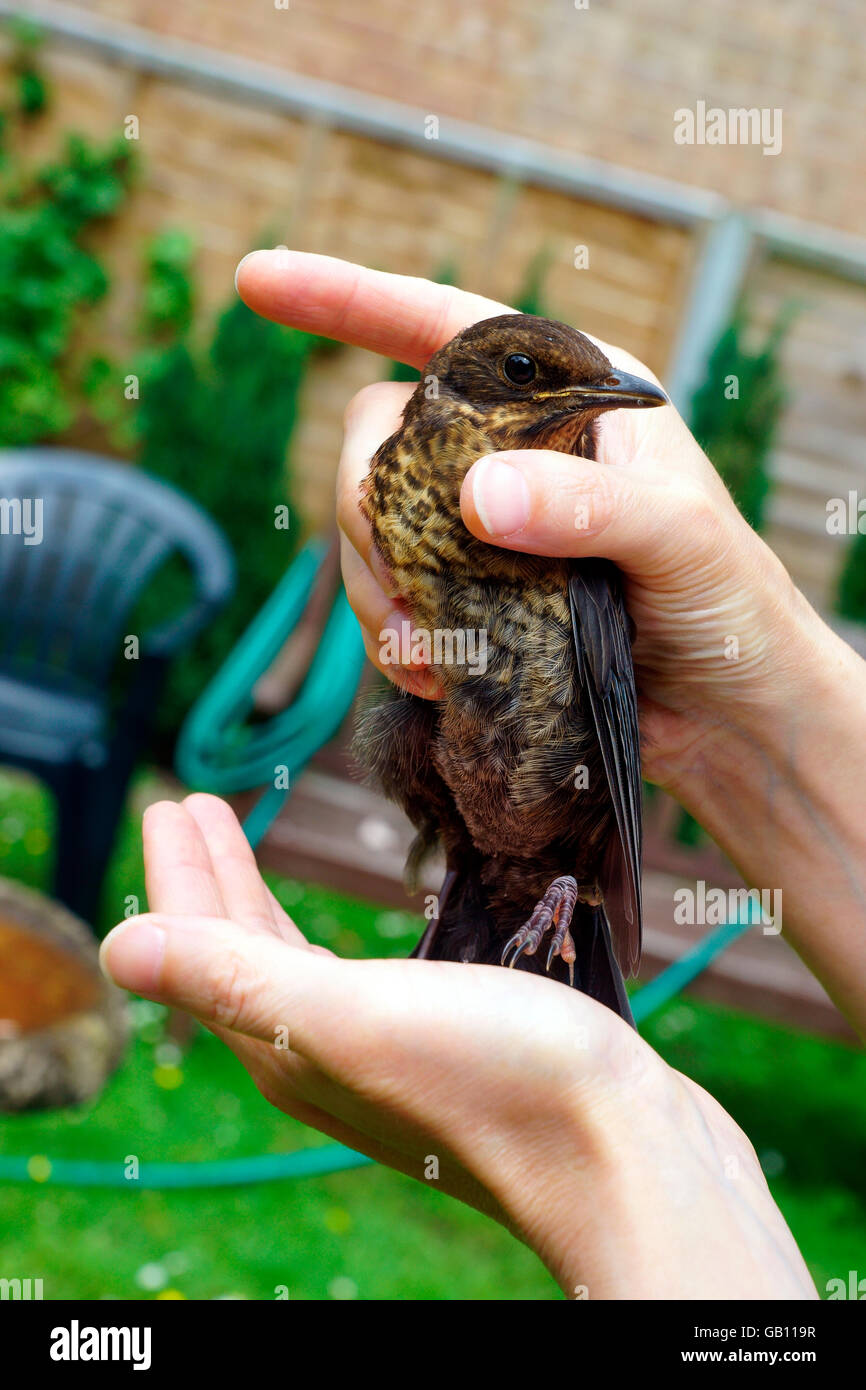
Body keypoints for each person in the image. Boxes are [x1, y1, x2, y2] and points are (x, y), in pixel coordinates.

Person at [100, 253, 866, 1299]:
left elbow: (601, 700)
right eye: (526, 373)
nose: (579, 406)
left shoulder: (572, 498)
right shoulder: (406, 468)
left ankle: (532, 913)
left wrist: (601, 1137)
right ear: (456, 384)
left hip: (560, 794)